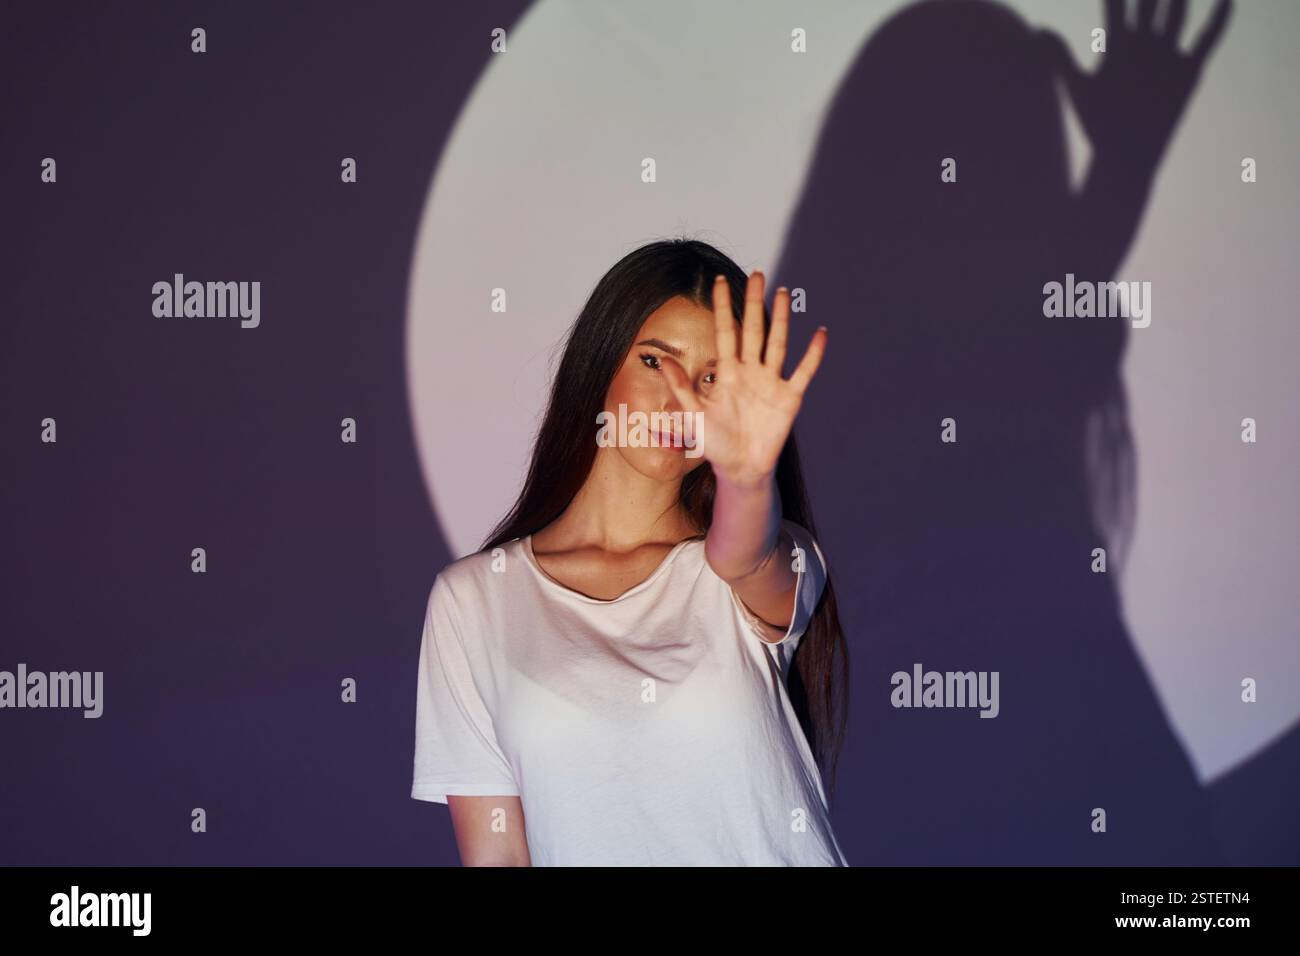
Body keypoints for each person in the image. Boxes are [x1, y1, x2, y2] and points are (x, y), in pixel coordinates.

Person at [410, 238, 850, 865]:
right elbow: (498, 857)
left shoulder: (759, 561)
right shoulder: (474, 601)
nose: (682, 399)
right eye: (654, 362)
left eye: (712, 377)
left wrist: (747, 479)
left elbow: (744, 557)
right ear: (601, 363)